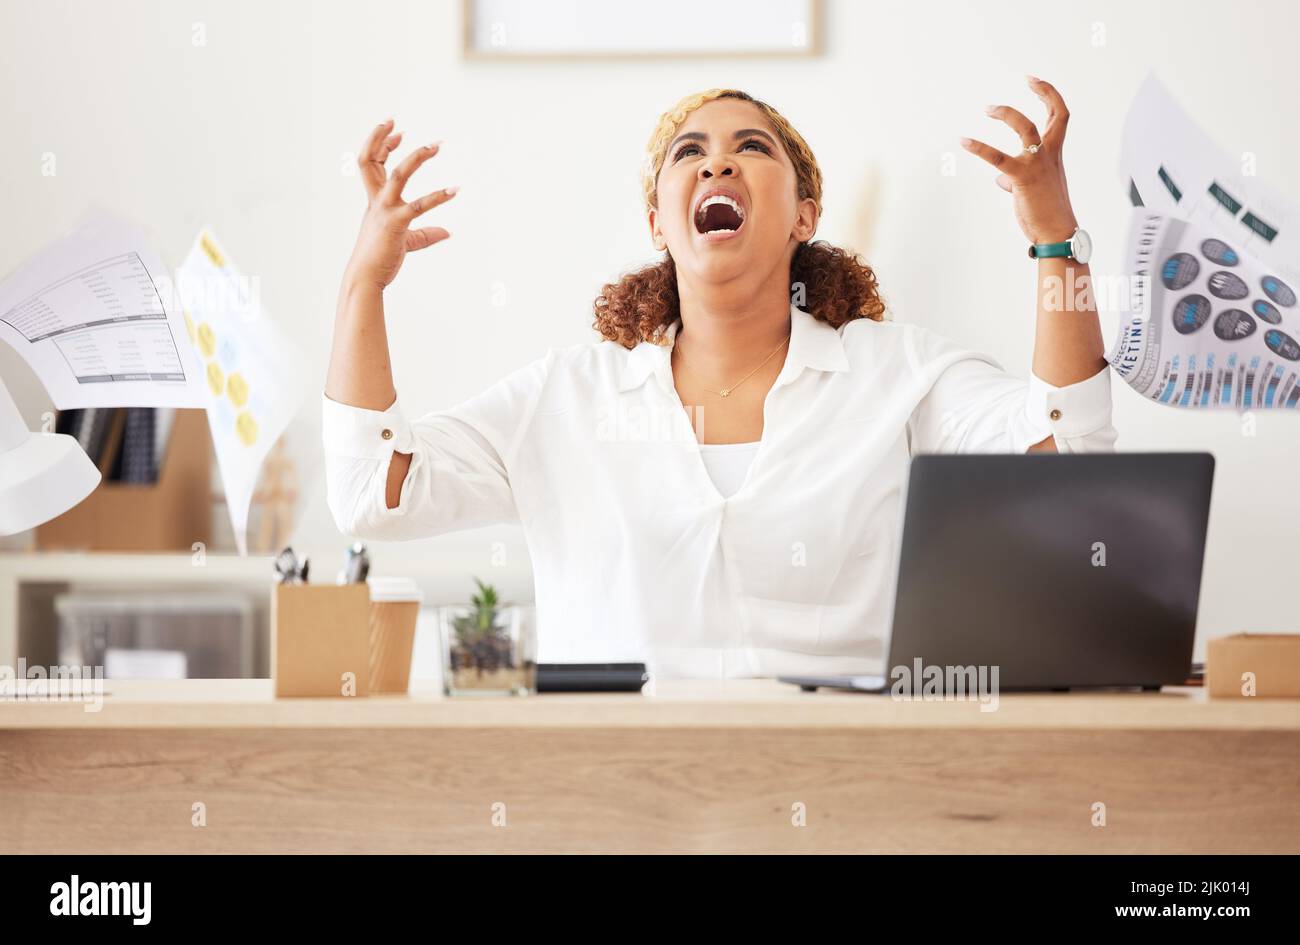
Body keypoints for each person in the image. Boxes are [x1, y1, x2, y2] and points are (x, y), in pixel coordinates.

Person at [322, 81, 1116, 678]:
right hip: (612, 798)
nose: (718, 161)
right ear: (658, 223)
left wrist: (1057, 242)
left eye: (753, 147)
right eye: (689, 152)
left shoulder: (899, 375)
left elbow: (1070, 456)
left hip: (840, 789)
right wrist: (362, 284)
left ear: (804, 216)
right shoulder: (566, 397)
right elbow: (370, 493)